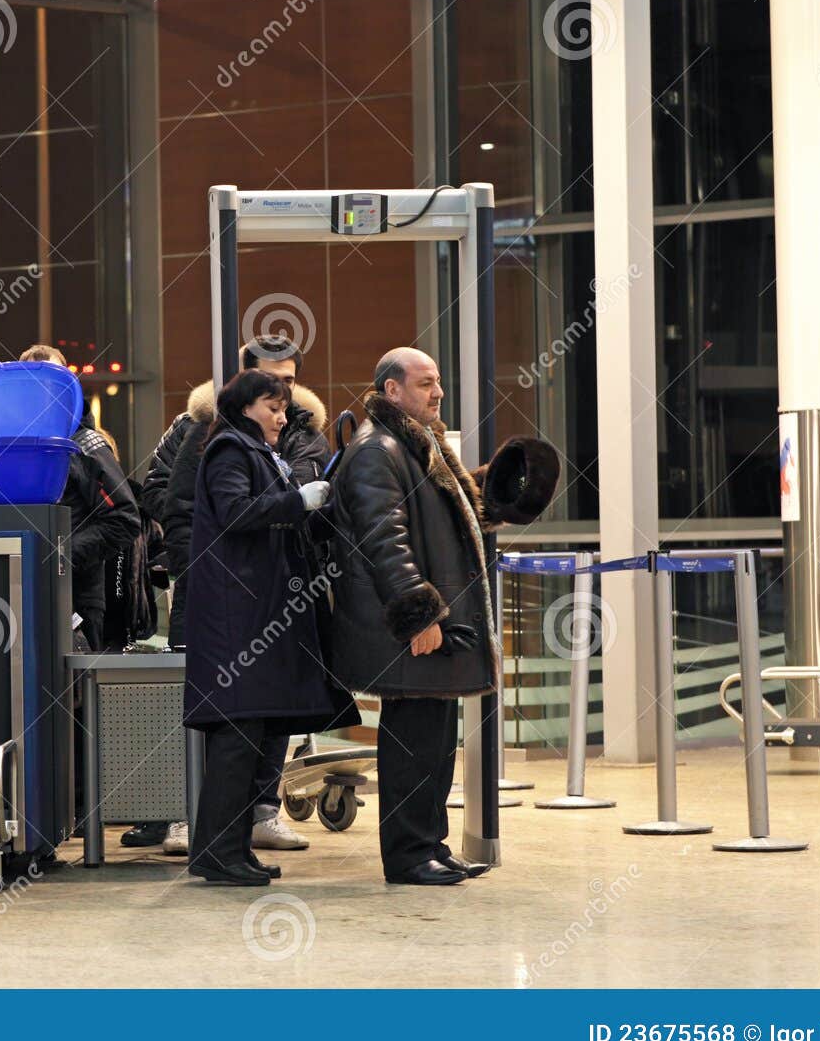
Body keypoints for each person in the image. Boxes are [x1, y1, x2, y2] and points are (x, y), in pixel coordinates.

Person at [329, 347, 558, 886]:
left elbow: (448, 511)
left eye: (438, 383)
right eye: (426, 383)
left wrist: (500, 488)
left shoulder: (416, 444)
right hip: (406, 629)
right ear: (392, 390)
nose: (437, 393)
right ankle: (408, 856)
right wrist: (419, 615)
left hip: (435, 626)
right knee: (413, 743)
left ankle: (430, 844)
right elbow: (386, 541)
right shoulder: (375, 450)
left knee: (433, 740)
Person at [136, 335, 329, 855]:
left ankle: (253, 821)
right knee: (228, 722)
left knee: (264, 717)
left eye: (288, 383)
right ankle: (201, 828)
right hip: (228, 601)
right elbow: (188, 507)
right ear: (244, 389)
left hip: (273, 598)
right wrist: (195, 573)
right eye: (272, 389)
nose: (283, 399)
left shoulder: (301, 434)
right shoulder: (212, 437)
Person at [182, 369, 355, 885]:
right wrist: (298, 500)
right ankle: (216, 853)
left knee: (249, 737)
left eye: (282, 408)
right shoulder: (231, 450)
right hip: (238, 622)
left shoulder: (255, 451)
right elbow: (236, 514)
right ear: (242, 408)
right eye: (271, 406)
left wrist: (316, 507)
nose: (281, 417)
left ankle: (231, 849)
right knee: (237, 738)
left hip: (254, 617)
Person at [17, 345, 139, 650]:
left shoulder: (85, 446)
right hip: (21, 590)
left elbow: (124, 519)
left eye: (51, 382)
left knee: (74, 693)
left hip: (76, 600)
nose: (41, 392)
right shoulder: (14, 445)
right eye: (30, 382)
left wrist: (62, 556)